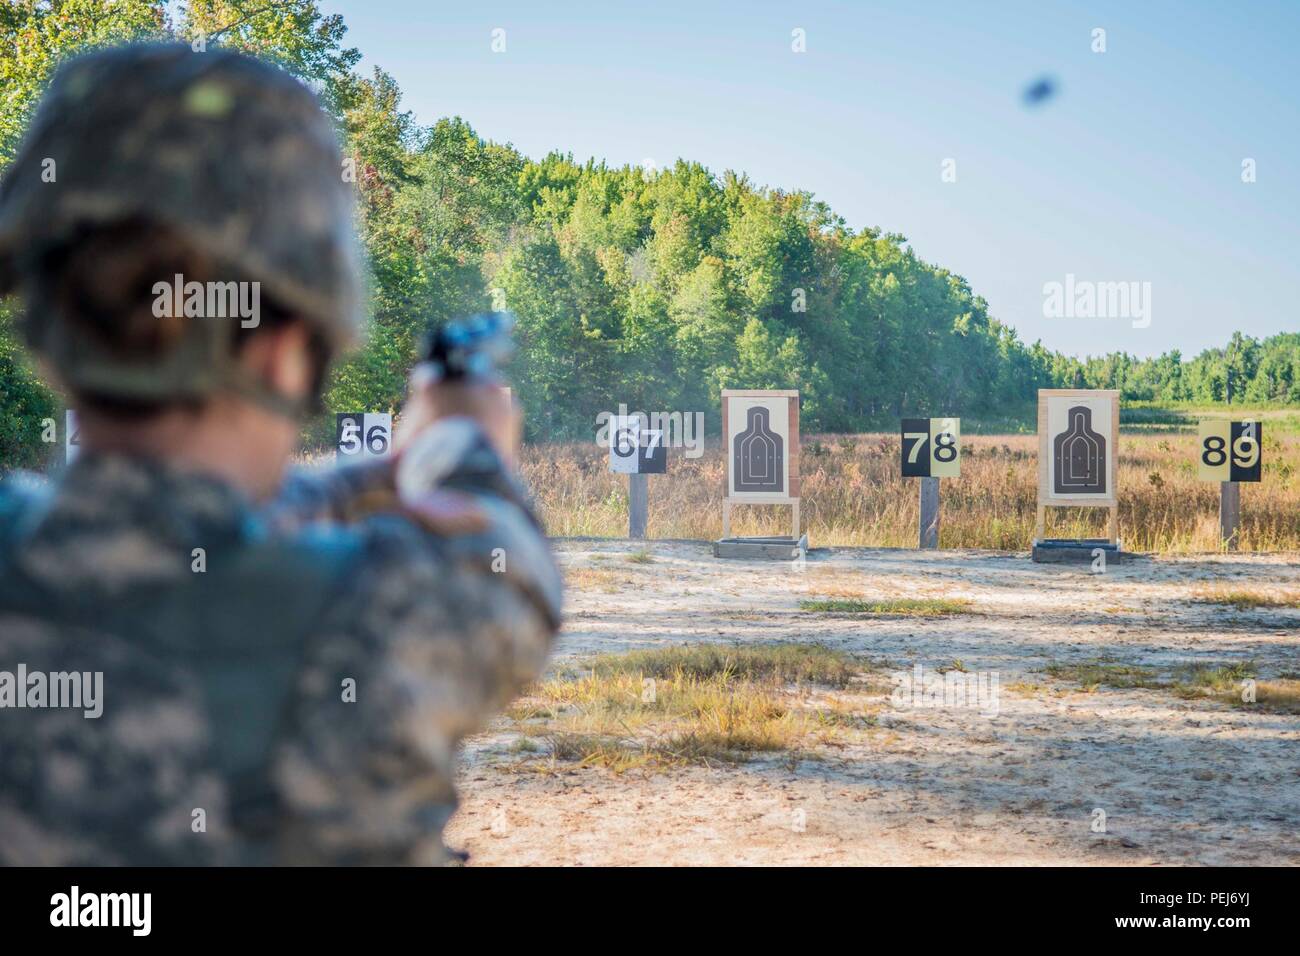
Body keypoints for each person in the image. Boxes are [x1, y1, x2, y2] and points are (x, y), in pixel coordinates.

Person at [0, 43, 561, 865]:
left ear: (49, 328)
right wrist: (456, 439)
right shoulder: (386, 617)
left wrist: (368, 480)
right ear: (283, 354)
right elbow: (511, 568)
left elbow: (159, 531)